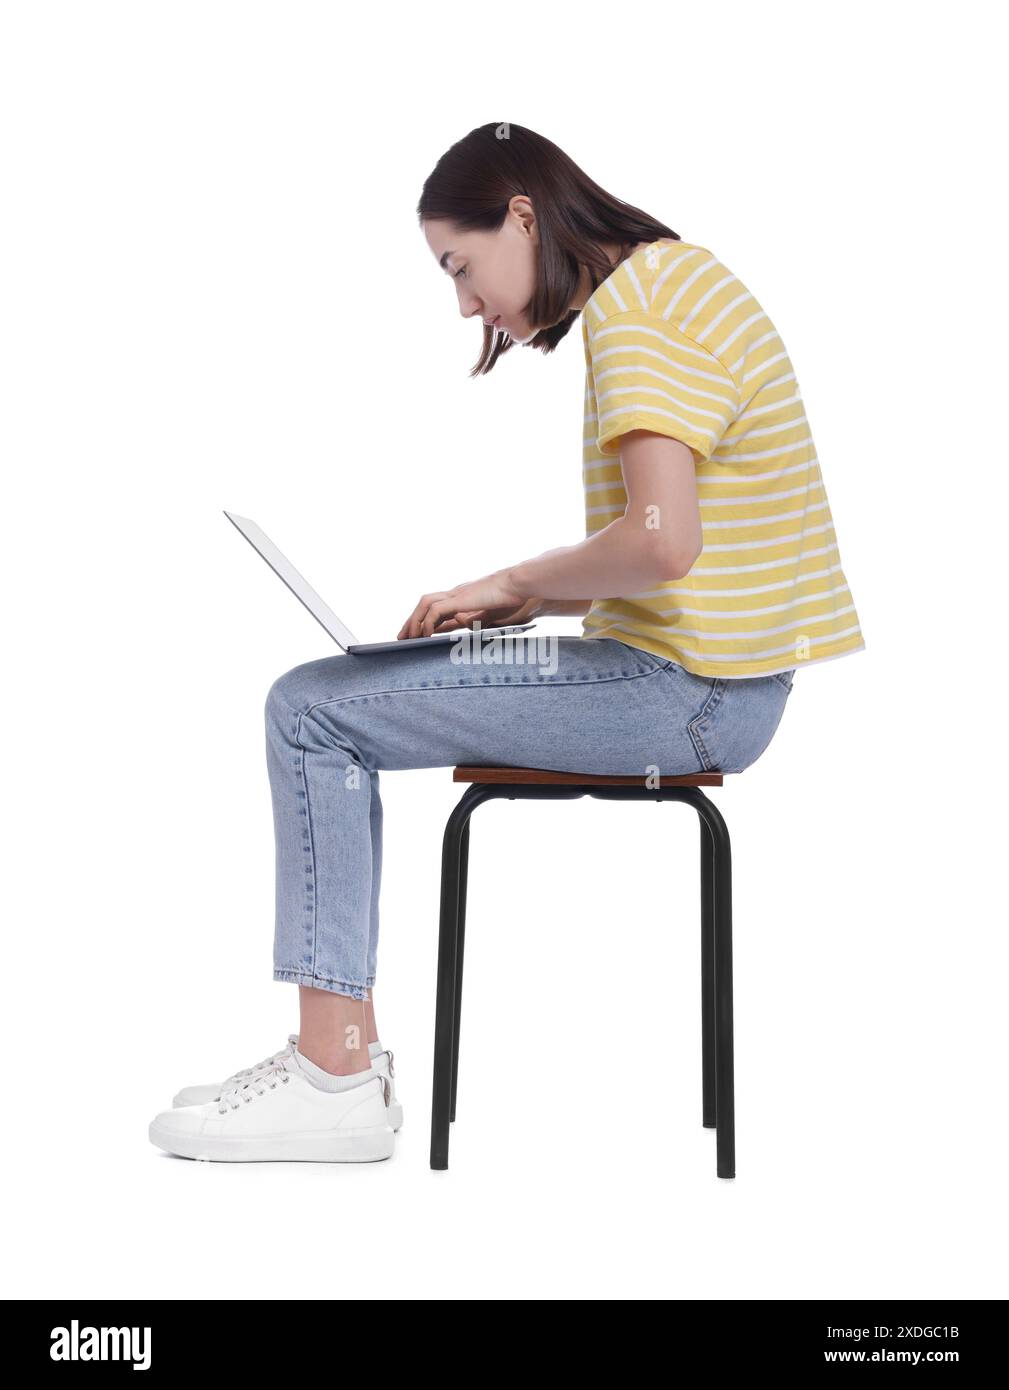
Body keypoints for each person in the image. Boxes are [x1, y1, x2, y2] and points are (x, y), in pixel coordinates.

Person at [148, 121, 865, 1164]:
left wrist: (509, 582)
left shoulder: (640, 310)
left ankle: (334, 1073)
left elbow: (662, 544)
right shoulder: (671, 281)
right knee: (328, 692)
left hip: (685, 694)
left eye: (461, 264)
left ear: (521, 215)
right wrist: (518, 605)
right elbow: (681, 555)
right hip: (704, 680)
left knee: (309, 707)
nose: (464, 302)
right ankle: (336, 1058)